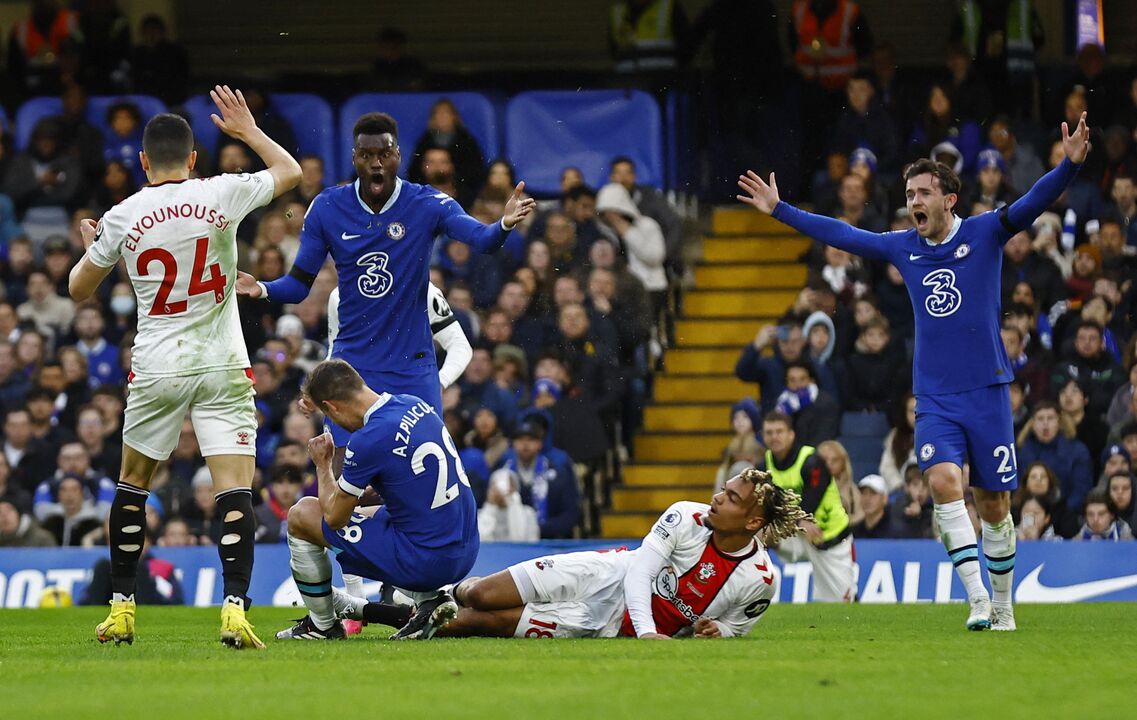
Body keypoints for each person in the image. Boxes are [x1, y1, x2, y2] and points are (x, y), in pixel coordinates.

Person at [737, 111, 1092, 631]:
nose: (914, 201)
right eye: (909, 193)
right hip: (935, 397)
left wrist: (1070, 168)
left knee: (994, 504)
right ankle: (976, 601)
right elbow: (842, 232)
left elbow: (1034, 202)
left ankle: (1003, 606)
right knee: (945, 482)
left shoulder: (986, 231)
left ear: (948, 199)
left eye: (924, 192)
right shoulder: (903, 247)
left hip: (989, 391)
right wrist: (781, 210)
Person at [66, 86, 301, 649]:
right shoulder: (221, 192)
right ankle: (235, 612)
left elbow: (77, 291)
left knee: (133, 484)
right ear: (194, 158)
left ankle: (122, 611)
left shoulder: (123, 215)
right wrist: (246, 133)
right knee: (235, 490)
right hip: (222, 362)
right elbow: (289, 171)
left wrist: (95, 248)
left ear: (143, 162)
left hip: (157, 367)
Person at [236, 111, 534, 449]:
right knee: (348, 476)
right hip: (355, 368)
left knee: (425, 470)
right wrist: (261, 288)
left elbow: (483, 239)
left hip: (413, 368)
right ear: (354, 158)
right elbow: (298, 285)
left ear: (398, 157)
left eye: (384, 155)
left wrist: (505, 224)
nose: (376, 164)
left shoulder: (427, 203)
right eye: (366, 156)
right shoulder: (327, 207)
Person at [366, 469, 805, 639]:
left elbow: (736, 628)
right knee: (479, 595)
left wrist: (718, 633)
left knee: (472, 624)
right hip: (607, 573)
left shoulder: (760, 579)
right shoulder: (685, 516)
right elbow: (641, 573)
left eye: (730, 498)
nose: (715, 497)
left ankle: (373, 612)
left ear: (752, 523)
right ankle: (441, 592)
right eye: (722, 489)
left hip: (604, 625)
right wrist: (653, 633)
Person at [274, 360, 478, 641]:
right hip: (465, 546)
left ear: (332, 407)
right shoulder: (412, 403)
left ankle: (321, 626)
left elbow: (334, 517)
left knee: (302, 514)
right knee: (371, 512)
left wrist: (323, 464)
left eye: (327, 414)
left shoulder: (370, 438)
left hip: (429, 560)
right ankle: (430, 600)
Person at [327, 280, 472, 630]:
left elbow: (460, 346)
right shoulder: (340, 296)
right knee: (348, 493)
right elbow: (336, 353)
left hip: (406, 405)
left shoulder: (421, 289)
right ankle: (357, 599)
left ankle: (419, 592)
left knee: (409, 500)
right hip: (357, 405)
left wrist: (440, 382)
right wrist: (320, 394)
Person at [758, 411, 854, 602]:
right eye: (769, 432)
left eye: (779, 431)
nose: (774, 437)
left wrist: (802, 517)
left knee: (841, 601)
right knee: (757, 534)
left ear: (791, 434)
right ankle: (747, 592)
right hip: (795, 532)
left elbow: (815, 491)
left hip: (826, 532)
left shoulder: (811, 460)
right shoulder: (764, 465)